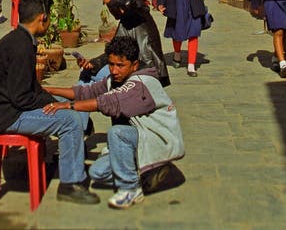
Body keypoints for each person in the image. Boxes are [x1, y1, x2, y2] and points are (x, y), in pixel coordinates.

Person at [0, 0, 100, 205]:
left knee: (64, 102)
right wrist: (56, 105)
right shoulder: (21, 46)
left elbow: (28, 88)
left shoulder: (20, 39)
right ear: (42, 18)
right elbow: (21, 98)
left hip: (11, 104)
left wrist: (53, 99)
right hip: (8, 115)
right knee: (70, 121)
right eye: (50, 17)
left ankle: (72, 150)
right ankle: (70, 184)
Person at [43, 37, 184, 210]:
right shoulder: (114, 80)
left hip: (157, 140)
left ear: (134, 65)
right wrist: (50, 90)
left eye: (120, 65)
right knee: (97, 173)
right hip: (136, 141)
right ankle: (147, 173)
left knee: (117, 132)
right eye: (111, 64)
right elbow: (88, 92)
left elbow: (109, 103)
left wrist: (68, 106)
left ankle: (131, 188)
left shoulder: (141, 83)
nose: (114, 70)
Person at [76, 0, 170, 87]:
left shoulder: (140, 14)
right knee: (86, 75)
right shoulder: (124, 23)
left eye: (113, 4)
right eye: (109, 6)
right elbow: (114, 51)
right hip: (126, 67)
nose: (111, 9)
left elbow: (137, 4)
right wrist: (93, 63)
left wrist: (117, 1)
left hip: (146, 68)